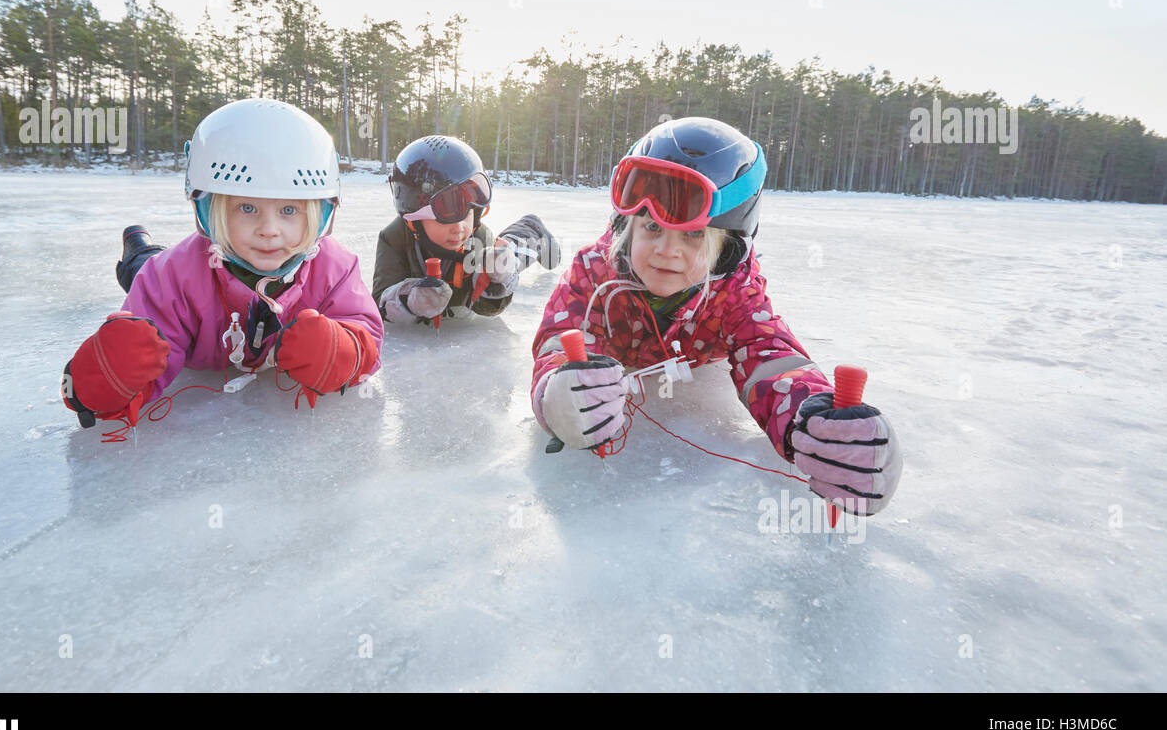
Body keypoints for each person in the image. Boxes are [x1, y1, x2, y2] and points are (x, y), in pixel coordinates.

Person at [529, 117, 903, 515]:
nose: (666, 251)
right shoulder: (594, 270)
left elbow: (769, 355)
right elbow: (560, 333)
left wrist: (814, 423)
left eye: (693, 235)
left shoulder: (736, 293)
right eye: (652, 227)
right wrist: (558, 392)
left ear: (725, 246)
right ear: (628, 226)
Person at [61, 98, 382, 428]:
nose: (269, 231)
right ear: (210, 209)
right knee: (141, 268)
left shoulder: (334, 268)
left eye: (289, 210)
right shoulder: (170, 276)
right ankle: (137, 248)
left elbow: (365, 331)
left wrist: (344, 351)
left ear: (320, 213)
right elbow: (143, 351)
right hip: (172, 265)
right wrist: (104, 382)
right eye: (246, 208)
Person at [373, 135, 560, 325]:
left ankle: (532, 230)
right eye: (446, 218)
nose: (460, 228)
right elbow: (379, 301)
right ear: (415, 220)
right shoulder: (393, 238)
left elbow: (486, 307)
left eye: (467, 214)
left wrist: (496, 281)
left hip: (501, 252)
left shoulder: (477, 237)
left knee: (506, 259)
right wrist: (408, 299)